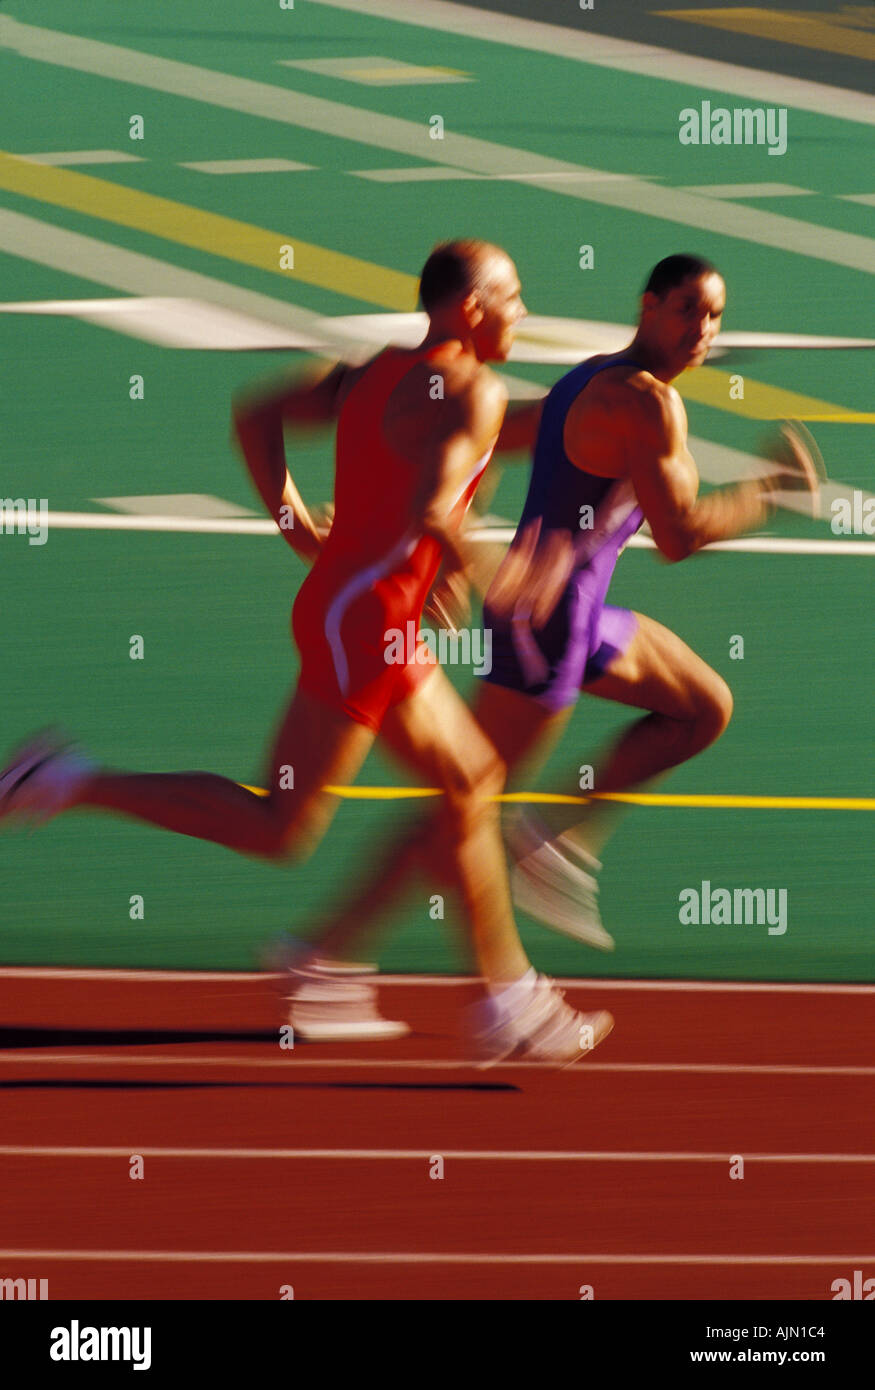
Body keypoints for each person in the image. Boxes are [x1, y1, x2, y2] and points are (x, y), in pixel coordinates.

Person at [0, 238, 615, 1064]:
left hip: (352, 609)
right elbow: (435, 510)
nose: (524, 313)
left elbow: (254, 413)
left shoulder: (372, 372)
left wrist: (295, 523)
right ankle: (502, 1002)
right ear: (470, 309)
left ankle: (468, 996)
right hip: (366, 626)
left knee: (443, 787)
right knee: (296, 822)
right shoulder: (473, 391)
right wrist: (502, 577)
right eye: (513, 297)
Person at [299, 253, 819, 955]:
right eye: (686, 310)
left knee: (702, 707)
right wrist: (769, 491)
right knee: (462, 808)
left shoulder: (589, 376)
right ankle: (326, 950)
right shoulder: (642, 401)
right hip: (541, 627)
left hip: (572, 617)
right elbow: (679, 536)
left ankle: (545, 840)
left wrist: (446, 527)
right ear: (648, 305)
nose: (701, 329)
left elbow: (486, 439)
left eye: (714, 316)